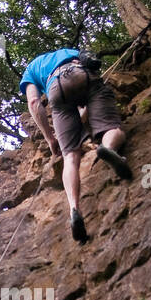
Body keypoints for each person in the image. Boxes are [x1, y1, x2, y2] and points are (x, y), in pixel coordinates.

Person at [19, 47, 132, 242]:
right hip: (82, 74)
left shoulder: (31, 70)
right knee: (111, 128)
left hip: (55, 88)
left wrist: (50, 138)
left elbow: (34, 103)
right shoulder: (67, 51)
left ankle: (74, 209)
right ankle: (109, 148)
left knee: (70, 156)